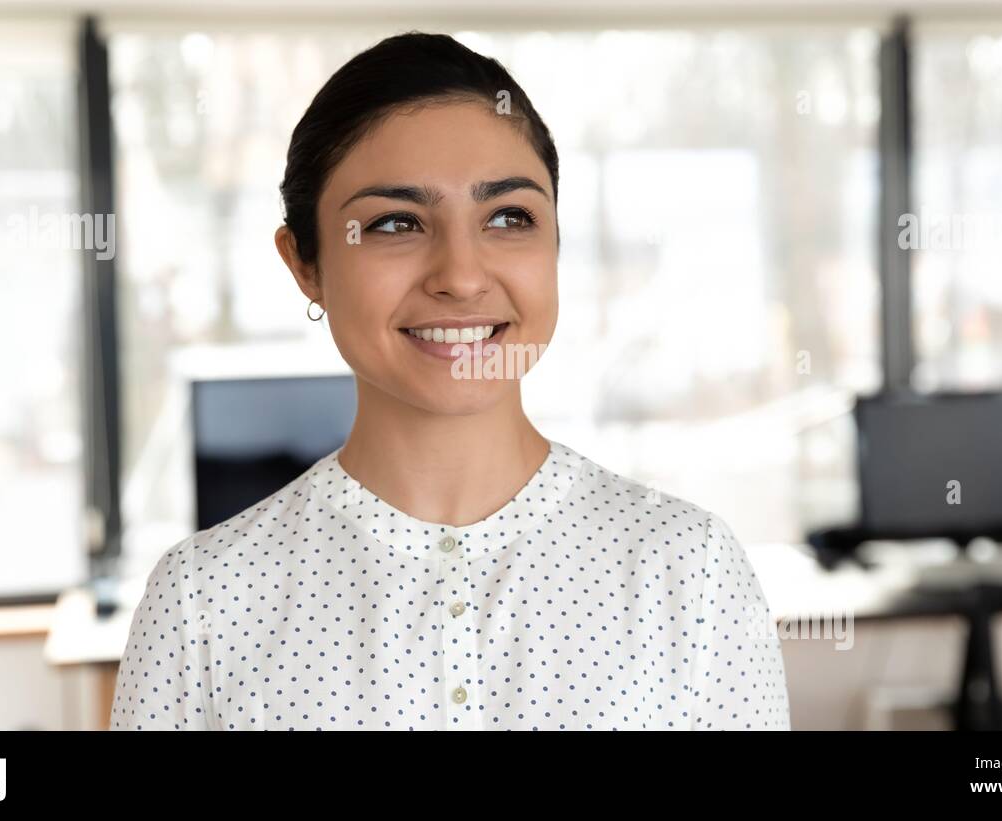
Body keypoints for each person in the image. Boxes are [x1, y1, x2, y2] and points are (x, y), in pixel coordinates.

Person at [111, 30, 789, 731]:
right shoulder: (201, 603)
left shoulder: (690, 572)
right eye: (396, 222)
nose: (462, 277)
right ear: (304, 263)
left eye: (508, 217)